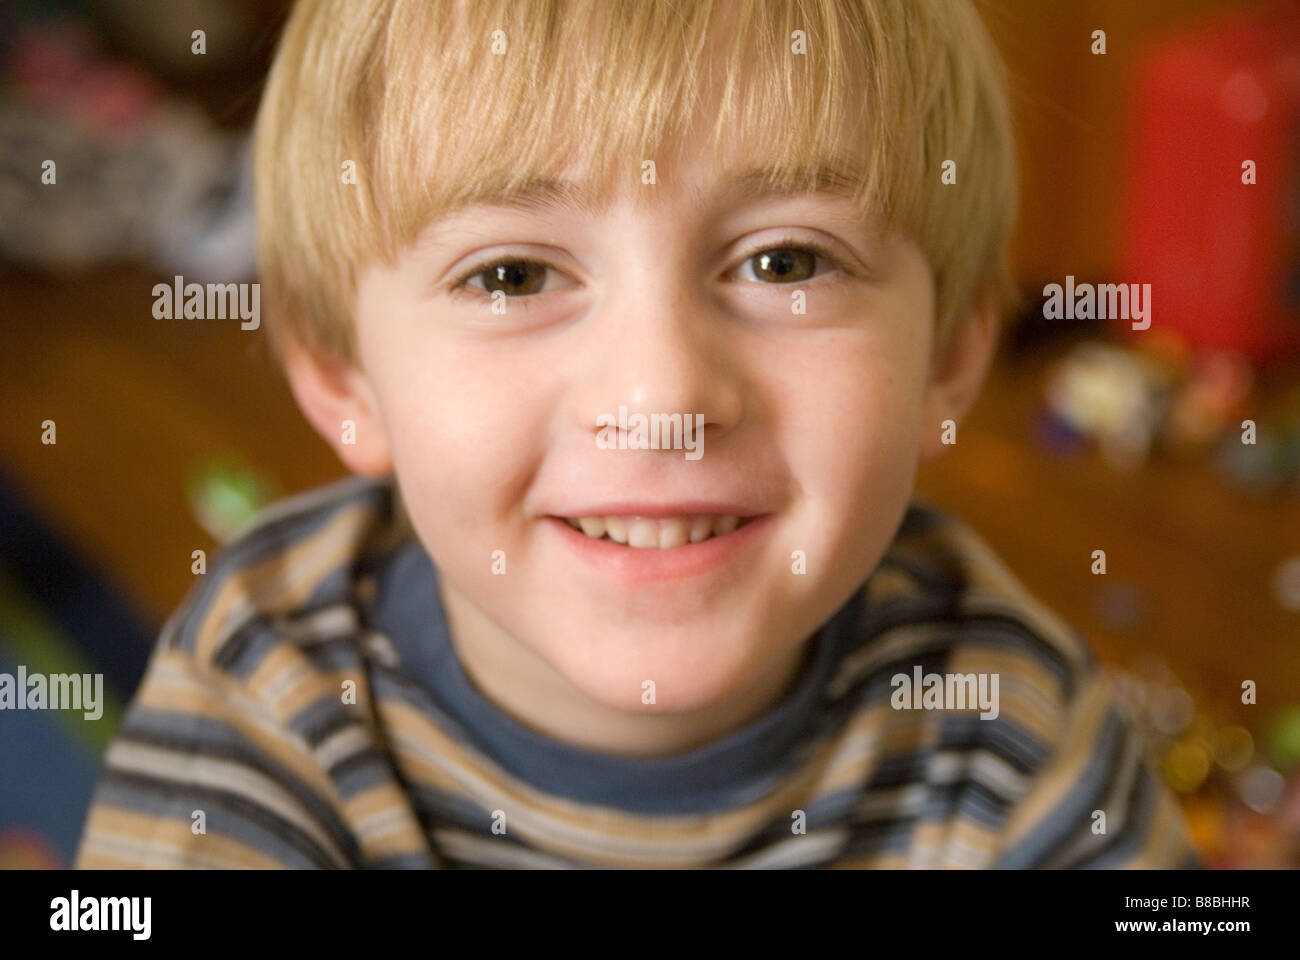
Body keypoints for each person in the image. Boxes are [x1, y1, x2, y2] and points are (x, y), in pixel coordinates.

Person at [76, 0, 1198, 868]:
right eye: (512, 273)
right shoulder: (264, 685)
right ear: (343, 375)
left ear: (947, 356)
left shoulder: (1008, 723)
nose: (662, 393)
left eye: (786, 262)